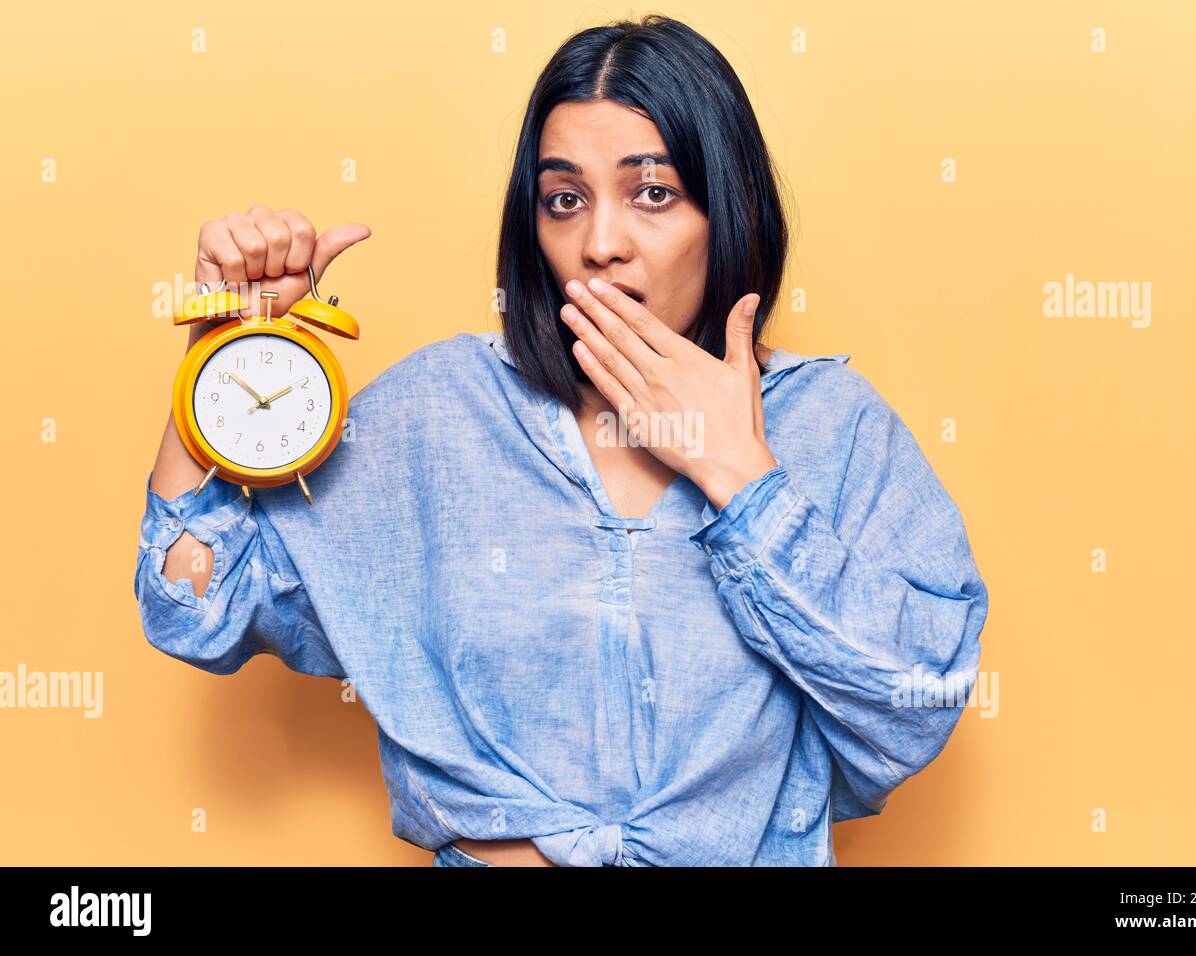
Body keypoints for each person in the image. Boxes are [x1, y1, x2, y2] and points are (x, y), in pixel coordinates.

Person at [135, 14, 988, 867]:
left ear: (729, 209)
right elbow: (195, 604)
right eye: (565, 200)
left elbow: (917, 703)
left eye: (653, 192)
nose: (600, 245)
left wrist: (740, 475)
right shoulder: (440, 413)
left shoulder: (834, 425)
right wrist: (227, 343)